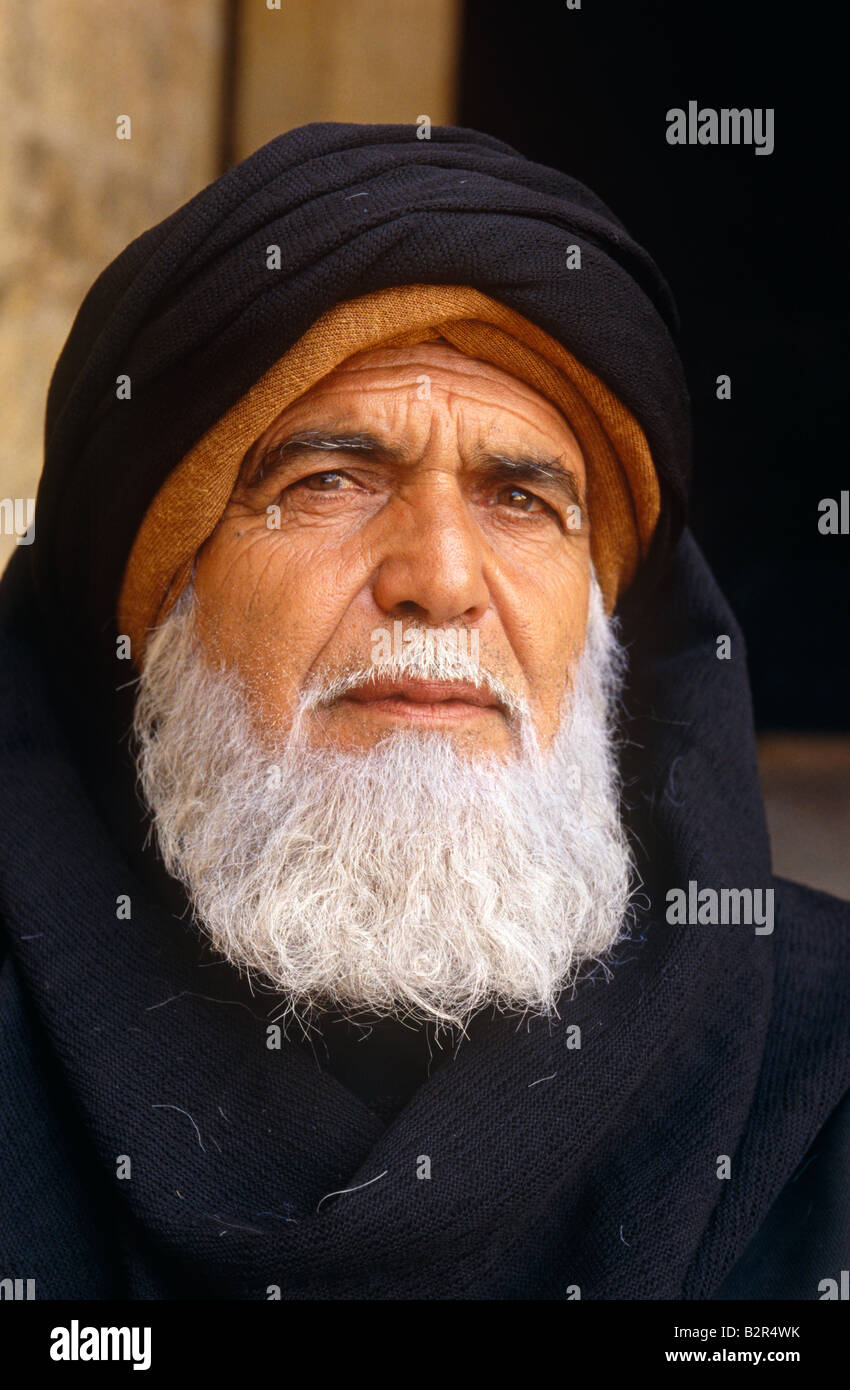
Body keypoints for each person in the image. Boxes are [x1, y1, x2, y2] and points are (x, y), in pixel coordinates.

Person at [0, 122, 847, 1301]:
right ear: (153, 601)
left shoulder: (824, 1060)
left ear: (604, 621)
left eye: (519, 498)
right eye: (329, 480)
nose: (440, 577)